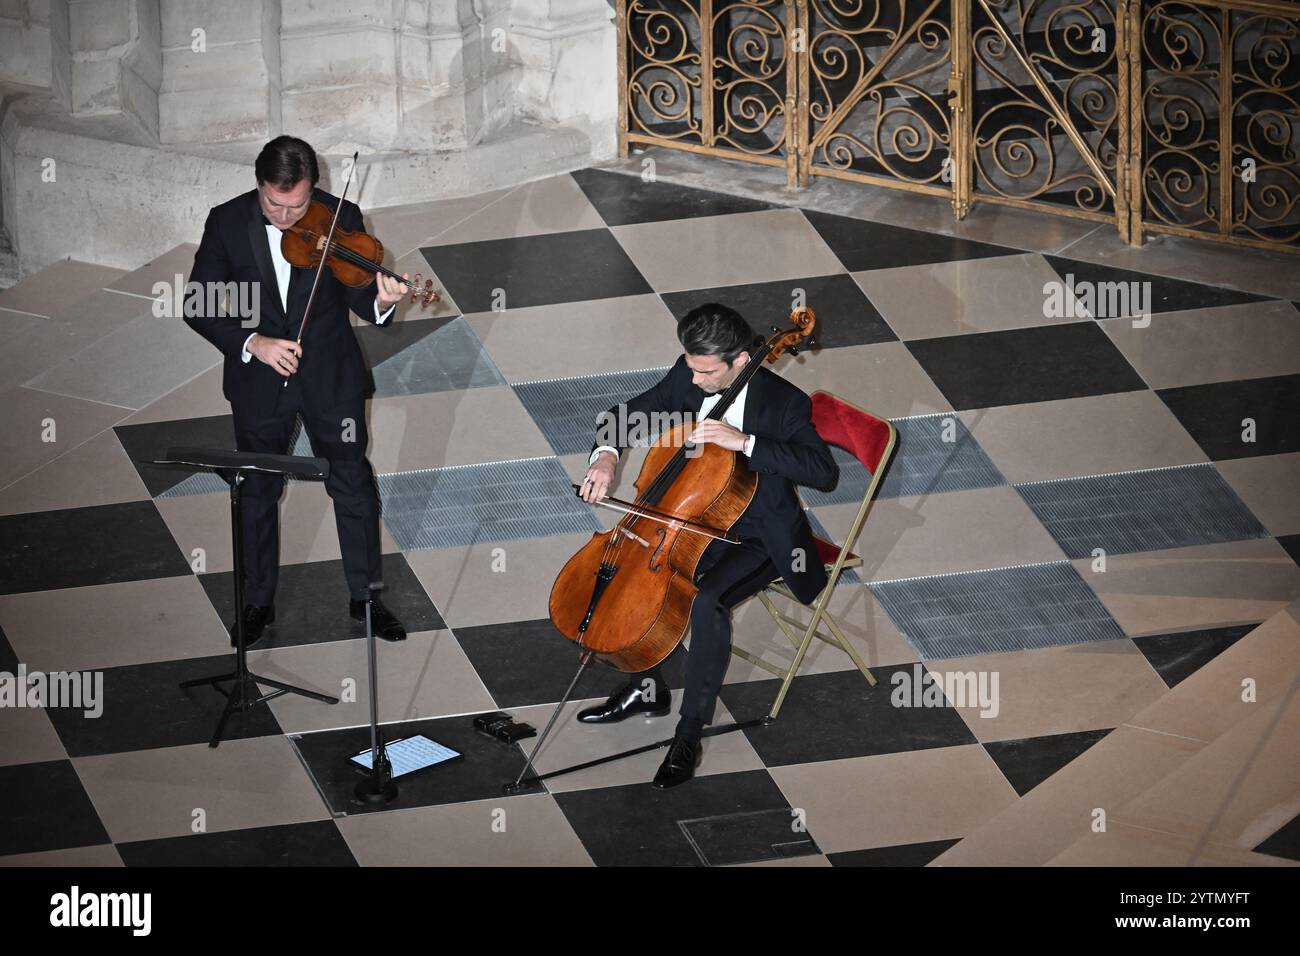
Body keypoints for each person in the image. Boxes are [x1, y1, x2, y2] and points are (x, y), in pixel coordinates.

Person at [578, 303, 837, 788]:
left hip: (758, 533)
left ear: (741, 360)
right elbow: (624, 416)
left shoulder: (784, 403)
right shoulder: (691, 370)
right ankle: (646, 686)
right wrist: (607, 458)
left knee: (706, 602)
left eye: (705, 371)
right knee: (641, 580)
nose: (693, 381)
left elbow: (823, 473)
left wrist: (746, 444)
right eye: (690, 366)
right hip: (692, 519)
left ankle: (688, 735)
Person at [184, 135, 409, 647]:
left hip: (331, 379)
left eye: (299, 205)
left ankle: (367, 597)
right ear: (259, 185)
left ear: (315, 190)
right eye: (275, 204)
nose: (287, 217)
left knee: (352, 482)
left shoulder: (340, 215)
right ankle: (257, 602)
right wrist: (252, 342)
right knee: (257, 489)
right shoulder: (227, 221)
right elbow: (199, 303)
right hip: (259, 381)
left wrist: (383, 301)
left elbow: (359, 296)